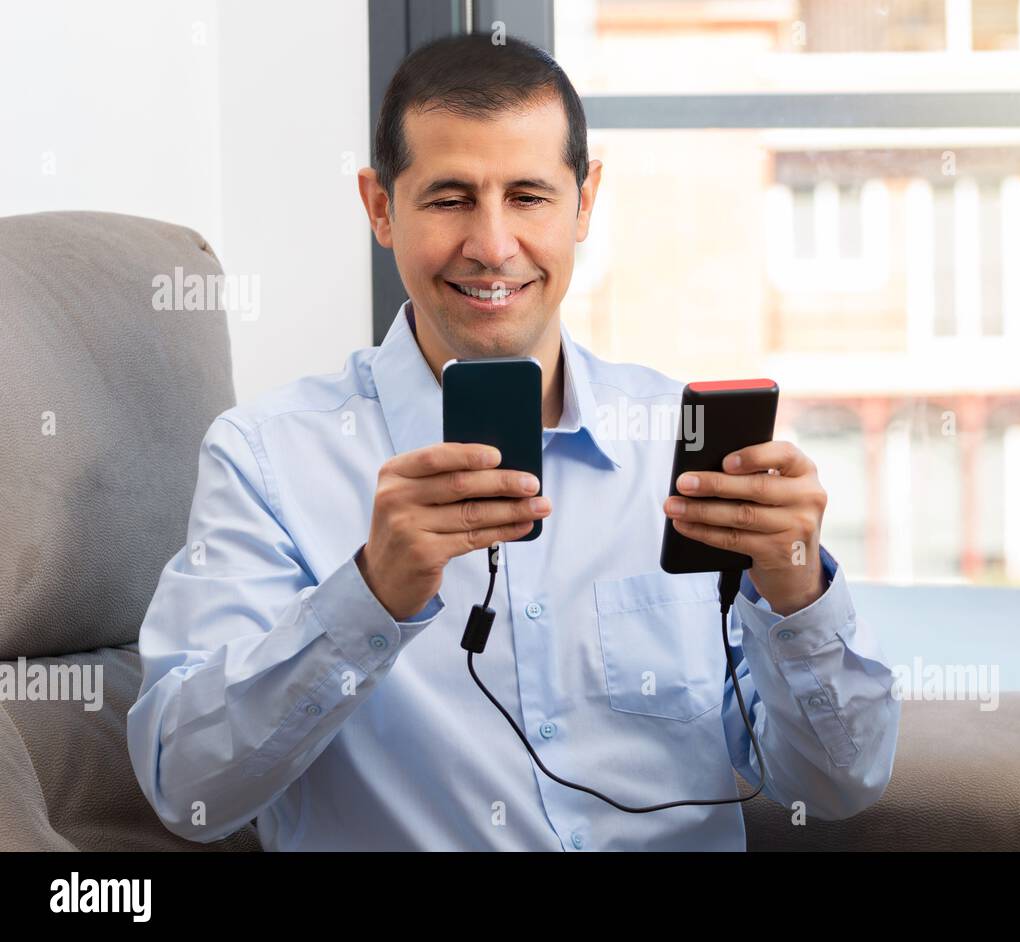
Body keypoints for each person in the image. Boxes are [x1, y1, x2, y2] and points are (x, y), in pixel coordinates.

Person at [127, 32, 900, 851]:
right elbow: (187, 788)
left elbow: (839, 784)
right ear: (381, 207)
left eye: (528, 196)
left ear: (585, 202)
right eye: (450, 198)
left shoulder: (686, 444)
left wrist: (798, 594)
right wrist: (368, 598)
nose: (493, 246)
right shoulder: (267, 459)